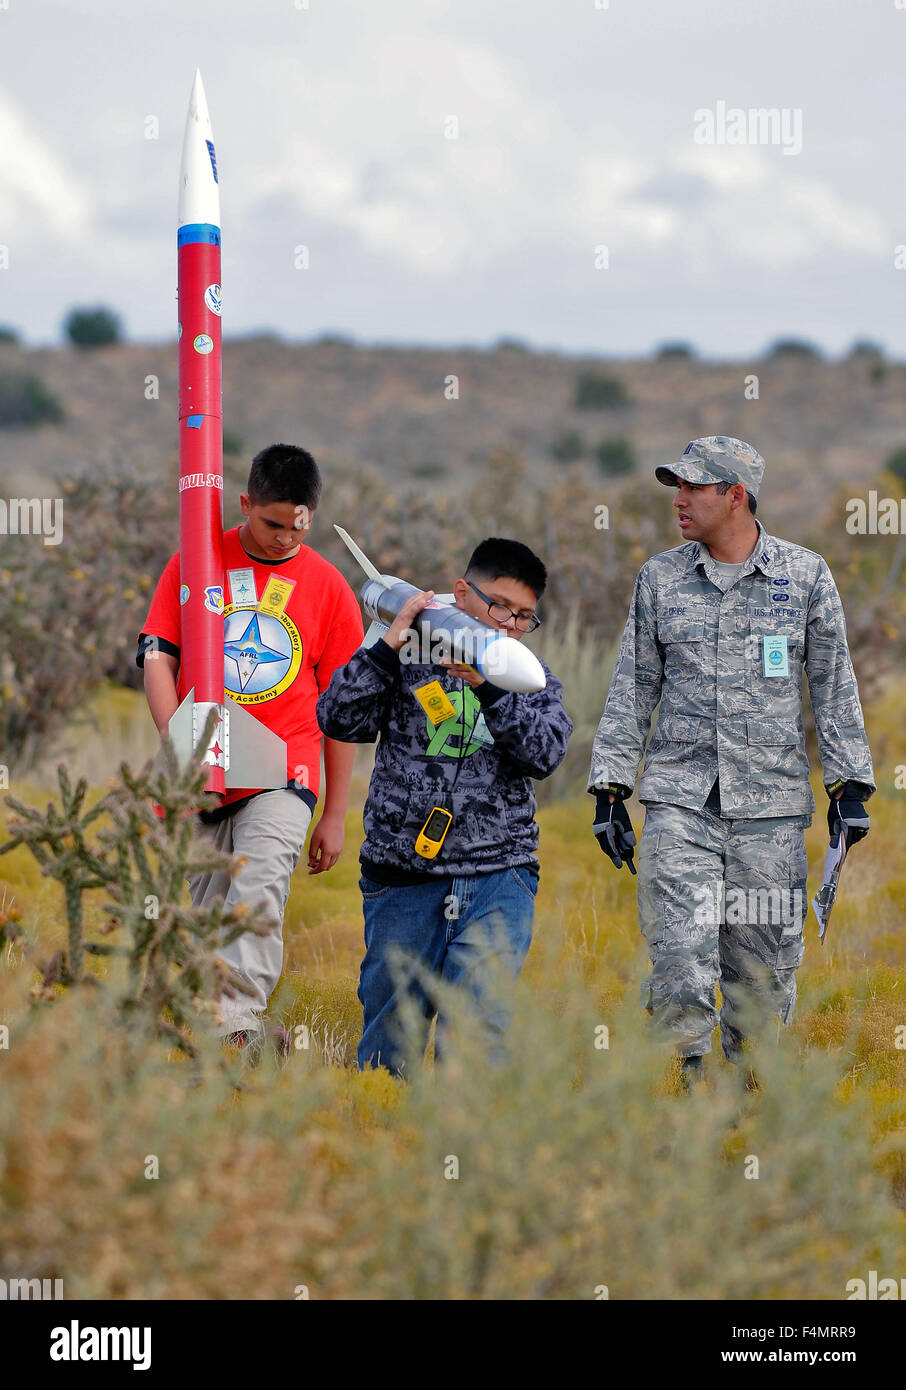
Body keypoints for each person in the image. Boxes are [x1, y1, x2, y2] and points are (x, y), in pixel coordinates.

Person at [587, 436, 875, 1086]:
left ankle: (753, 1118)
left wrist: (849, 784)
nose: (680, 501)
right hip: (678, 809)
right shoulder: (660, 579)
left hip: (769, 817)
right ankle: (678, 1111)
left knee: (761, 980)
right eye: (676, 488)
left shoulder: (803, 577)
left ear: (735, 495)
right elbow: (634, 685)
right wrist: (609, 789)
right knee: (680, 964)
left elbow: (832, 682)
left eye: (694, 488)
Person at [317, 537, 573, 1076]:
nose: (508, 624)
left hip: (498, 874)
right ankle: (386, 1140)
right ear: (461, 593)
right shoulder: (402, 661)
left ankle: (468, 1151)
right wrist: (386, 647)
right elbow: (338, 717)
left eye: (525, 616)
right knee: (391, 1037)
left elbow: (545, 753)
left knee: (479, 1030)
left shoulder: (528, 675)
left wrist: (491, 691)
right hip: (404, 878)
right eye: (499, 605)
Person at [137, 443, 363, 1049]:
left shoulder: (330, 589)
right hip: (200, 767)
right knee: (208, 911)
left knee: (261, 881)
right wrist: (181, 744)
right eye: (271, 524)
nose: (285, 538)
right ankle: (207, 1043)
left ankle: (241, 1030)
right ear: (245, 503)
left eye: (299, 526)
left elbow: (341, 712)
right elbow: (158, 656)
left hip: (284, 768)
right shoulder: (195, 560)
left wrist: (335, 812)